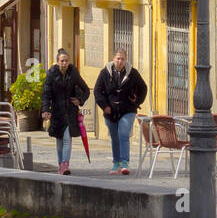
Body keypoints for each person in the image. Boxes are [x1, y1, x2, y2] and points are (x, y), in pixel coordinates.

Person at [94, 48, 149, 175]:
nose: (120, 61)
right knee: (114, 137)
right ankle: (116, 164)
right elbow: (97, 91)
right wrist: (104, 106)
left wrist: (137, 102)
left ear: (126, 60)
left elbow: (143, 88)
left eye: (122, 59)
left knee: (123, 134)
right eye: (118, 58)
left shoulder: (132, 73)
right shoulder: (105, 73)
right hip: (110, 111)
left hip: (127, 110)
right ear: (113, 59)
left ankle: (125, 163)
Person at [41, 48, 90, 176]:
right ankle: (60, 164)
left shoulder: (73, 72)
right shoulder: (51, 74)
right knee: (59, 140)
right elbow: (46, 93)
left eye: (66, 61)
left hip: (70, 111)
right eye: (62, 61)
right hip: (57, 112)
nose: (64, 63)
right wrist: (45, 109)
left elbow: (86, 90)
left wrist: (79, 100)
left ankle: (65, 164)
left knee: (67, 138)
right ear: (57, 62)